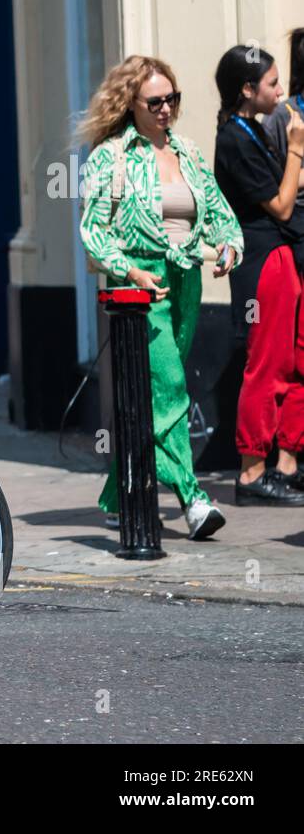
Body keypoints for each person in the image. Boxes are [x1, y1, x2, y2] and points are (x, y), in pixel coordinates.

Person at [79, 55, 243, 539]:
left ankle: (117, 493)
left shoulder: (187, 152)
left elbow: (218, 212)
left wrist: (230, 246)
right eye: (156, 101)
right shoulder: (112, 156)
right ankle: (194, 500)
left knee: (155, 397)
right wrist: (129, 269)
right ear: (131, 103)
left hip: (185, 278)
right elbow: (93, 232)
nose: (167, 108)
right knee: (171, 387)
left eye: (173, 98)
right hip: (139, 282)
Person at [213, 44, 304, 506]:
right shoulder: (233, 138)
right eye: (272, 83)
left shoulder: (250, 129)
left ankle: (285, 467)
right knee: (265, 365)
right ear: (248, 90)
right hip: (261, 259)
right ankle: (251, 472)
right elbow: (282, 204)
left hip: (281, 254)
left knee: (293, 361)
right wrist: (296, 151)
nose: (281, 90)